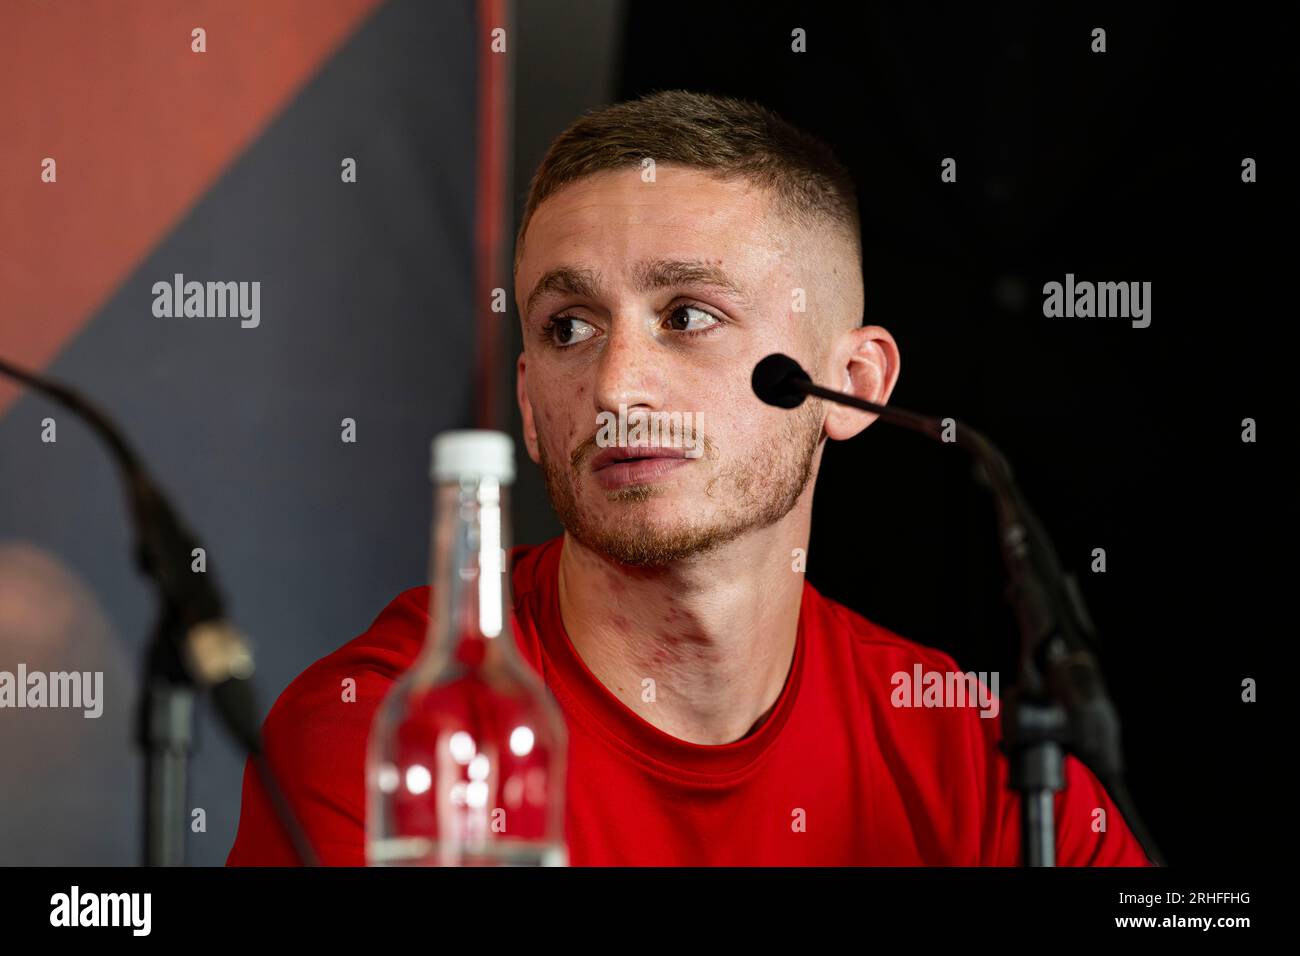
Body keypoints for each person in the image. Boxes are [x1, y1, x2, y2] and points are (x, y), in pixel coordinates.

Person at [227, 90, 1151, 866]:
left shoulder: (979, 759)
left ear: (853, 387)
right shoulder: (397, 736)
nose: (617, 385)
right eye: (568, 328)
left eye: (689, 314)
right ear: (528, 403)